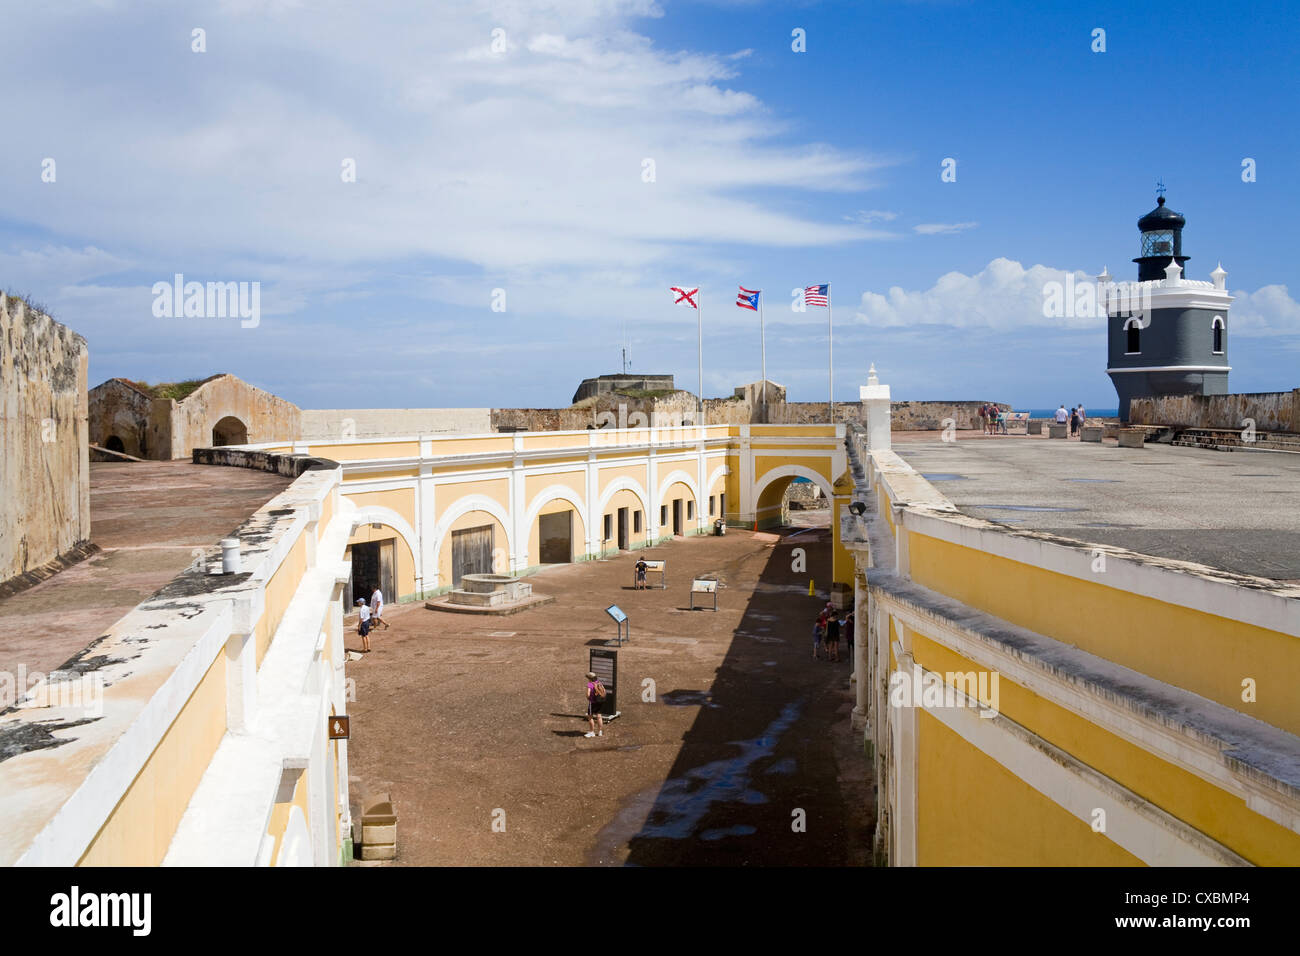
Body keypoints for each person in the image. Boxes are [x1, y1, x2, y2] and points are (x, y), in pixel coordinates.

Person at [584, 670, 606, 737]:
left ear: (589, 678)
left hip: (593, 702)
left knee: (590, 717)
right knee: (599, 716)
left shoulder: (590, 684)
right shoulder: (599, 682)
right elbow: (604, 691)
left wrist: (589, 699)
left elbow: (588, 694)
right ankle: (600, 732)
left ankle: (592, 732)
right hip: (600, 702)